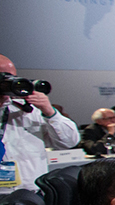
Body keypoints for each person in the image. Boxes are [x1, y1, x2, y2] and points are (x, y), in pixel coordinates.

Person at [0, 54, 79, 194]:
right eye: (3, 76)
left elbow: (69, 142)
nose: (9, 81)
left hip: (32, 193)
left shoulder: (29, 110)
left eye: (11, 76)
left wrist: (49, 112)